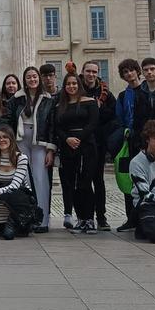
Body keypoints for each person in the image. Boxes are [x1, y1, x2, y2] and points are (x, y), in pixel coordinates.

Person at [5, 66, 55, 232]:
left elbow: (52, 126)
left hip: (40, 142)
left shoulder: (48, 99)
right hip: (21, 141)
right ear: (24, 80)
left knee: (41, 179)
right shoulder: (16, 99)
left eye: (34, 76)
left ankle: (43, 220)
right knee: (23, 179)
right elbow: (8, 120)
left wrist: (51, 149)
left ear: (39, 78)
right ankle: (25, 216)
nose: (32, 80)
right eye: (28, 77)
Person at [54, 73, 101, 234]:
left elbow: (93, 124)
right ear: (64, 86)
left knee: (85, 183)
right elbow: (57, 127)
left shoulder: (90, 102)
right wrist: (67, 139)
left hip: (86, 145)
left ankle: (90, 219)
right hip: (68, 147)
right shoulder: (60, 105)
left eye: (74, 83)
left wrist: (78, 138)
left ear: (79, 85)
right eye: (68, 84)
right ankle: (81, 219)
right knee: (71, 183)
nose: (71, 86)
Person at [109, 59, 150, 232]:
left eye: (131, 70)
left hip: (146, 140)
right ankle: (130, 217)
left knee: (147, 180)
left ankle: (146, 216)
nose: (129, 74)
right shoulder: (123, 96)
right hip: (129, 141)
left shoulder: (148, 91)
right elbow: (119, 119)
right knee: (129, 179)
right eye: (125, 72)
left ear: (137, 71)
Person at [80, 61, 114, 230]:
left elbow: (113, 115)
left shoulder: (105, 93)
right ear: (82, 72)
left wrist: (100, 110)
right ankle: (84, 216)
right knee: (83, 181)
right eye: (88, 71)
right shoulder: (76, 88)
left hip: (98, 142)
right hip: (80, 142)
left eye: (94, 71)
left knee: (98, 181)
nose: (91, 74)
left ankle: (101, 216)